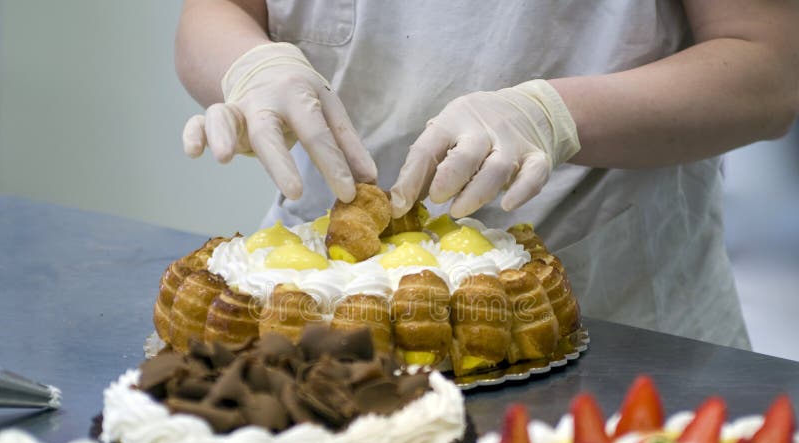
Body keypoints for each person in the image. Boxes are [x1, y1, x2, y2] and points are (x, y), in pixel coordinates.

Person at [174, 0, 799, 349]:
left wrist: (552, 116)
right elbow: (219, 9)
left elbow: (769, 70)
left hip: (610, 316)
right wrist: (251, 66)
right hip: (310, 319)